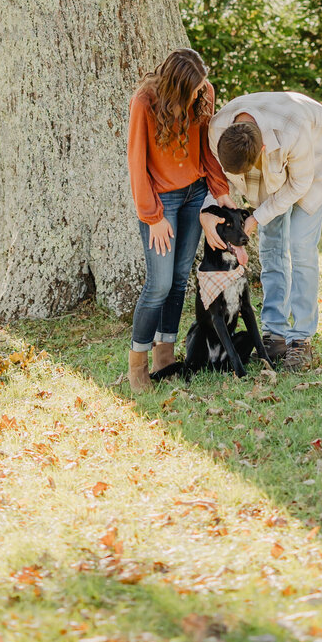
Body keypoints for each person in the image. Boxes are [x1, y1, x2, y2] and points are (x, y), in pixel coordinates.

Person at [208, 91, 322, 372]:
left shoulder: (294, 132)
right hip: (271, 162)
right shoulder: (217, 128)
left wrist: (257, 217)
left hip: (314, 159)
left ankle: (301, 339)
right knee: (271, 247)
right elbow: (214, 174)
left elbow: (299, 184)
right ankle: (274, 334)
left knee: (300, 246)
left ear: (263, 150)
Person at [126, 48, 232, 396]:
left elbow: (206, 150)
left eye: (201, 87)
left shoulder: (203, 92)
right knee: (158, 284)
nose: (198, 94)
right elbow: (136, 161)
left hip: (194, 195)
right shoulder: (145, 102)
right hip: (163, 201)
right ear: (174, 83)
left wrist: (220, 191)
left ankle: (165, 358)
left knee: (178, 281)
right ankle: (137, 364)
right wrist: (153, 216)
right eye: (192, 88)